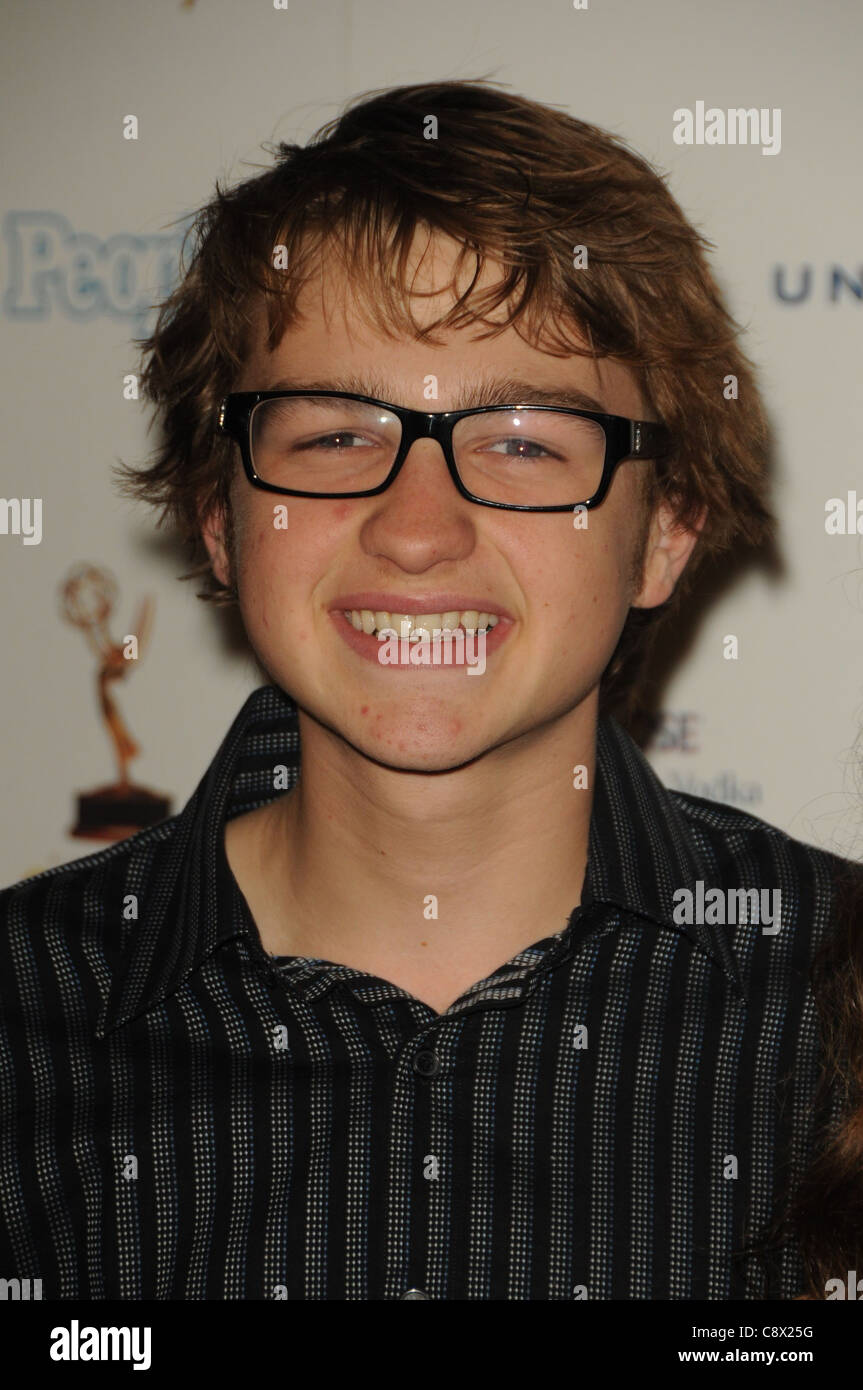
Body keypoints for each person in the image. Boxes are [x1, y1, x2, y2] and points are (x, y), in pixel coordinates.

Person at [1, 78, 859, 1301]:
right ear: (220, 519)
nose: (415, 529)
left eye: (521, 441)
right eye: (332, 434)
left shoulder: (839, 1009)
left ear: (665, 528)